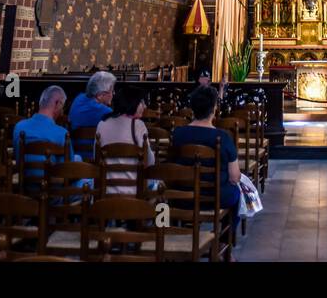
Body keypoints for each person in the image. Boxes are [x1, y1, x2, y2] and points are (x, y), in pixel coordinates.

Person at [172, 86, 241, 227]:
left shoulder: (178, 134)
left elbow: (172, 166)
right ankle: (225, 239)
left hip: (182, 195)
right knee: (236, 194)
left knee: (162, 202)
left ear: (193, 108)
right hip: (215, 196)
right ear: (214, 109)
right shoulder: (223, 137)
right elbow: (234, 177)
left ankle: (164, 230)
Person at [13, 86, 75, 190]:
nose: (62, 112)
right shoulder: (62, 134)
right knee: (88, 182)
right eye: (62, 107)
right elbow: (68, 171)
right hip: (53, 194)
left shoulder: (19, 127)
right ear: (57, 104)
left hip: (25, 190)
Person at [97, 85, 155, 193]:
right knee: (159, 183)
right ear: (133, 103)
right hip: (134, 190)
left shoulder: (102, 124)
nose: (145, 106)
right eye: (141, 102)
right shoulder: (138, 126)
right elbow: (150, 162)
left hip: (106, 190)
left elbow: (95, 157)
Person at [70, 70, 115, 160]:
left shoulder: (78, 99)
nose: (113, 93)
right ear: (100, 95)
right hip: (97, 159)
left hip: (76, 156)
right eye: (111, 91)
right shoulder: (106, 112)